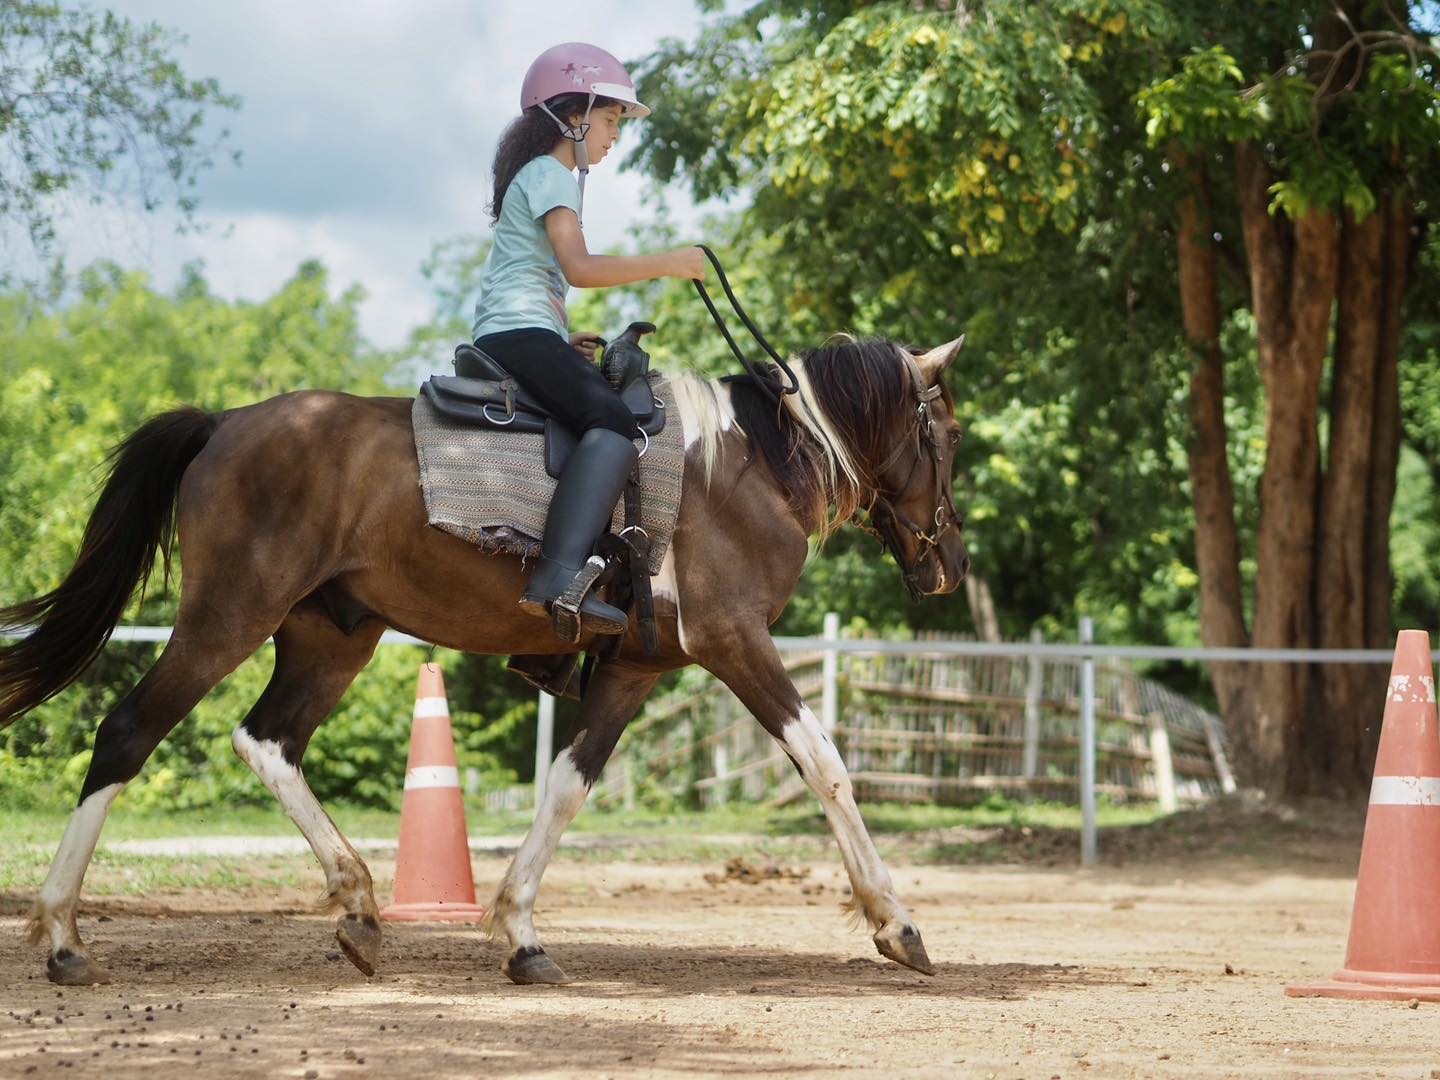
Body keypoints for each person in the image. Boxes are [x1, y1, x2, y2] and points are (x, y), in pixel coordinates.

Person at [472, 42, 704, 637]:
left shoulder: (545, 175)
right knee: (618, 425)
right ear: (571, 117)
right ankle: (556, 577)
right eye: (607, 121)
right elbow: (577, 267)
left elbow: (538, 273)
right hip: (515, 330)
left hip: (524, 329)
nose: (613, 136)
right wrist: (669, 263)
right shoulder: (553, 173)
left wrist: (559, 336)